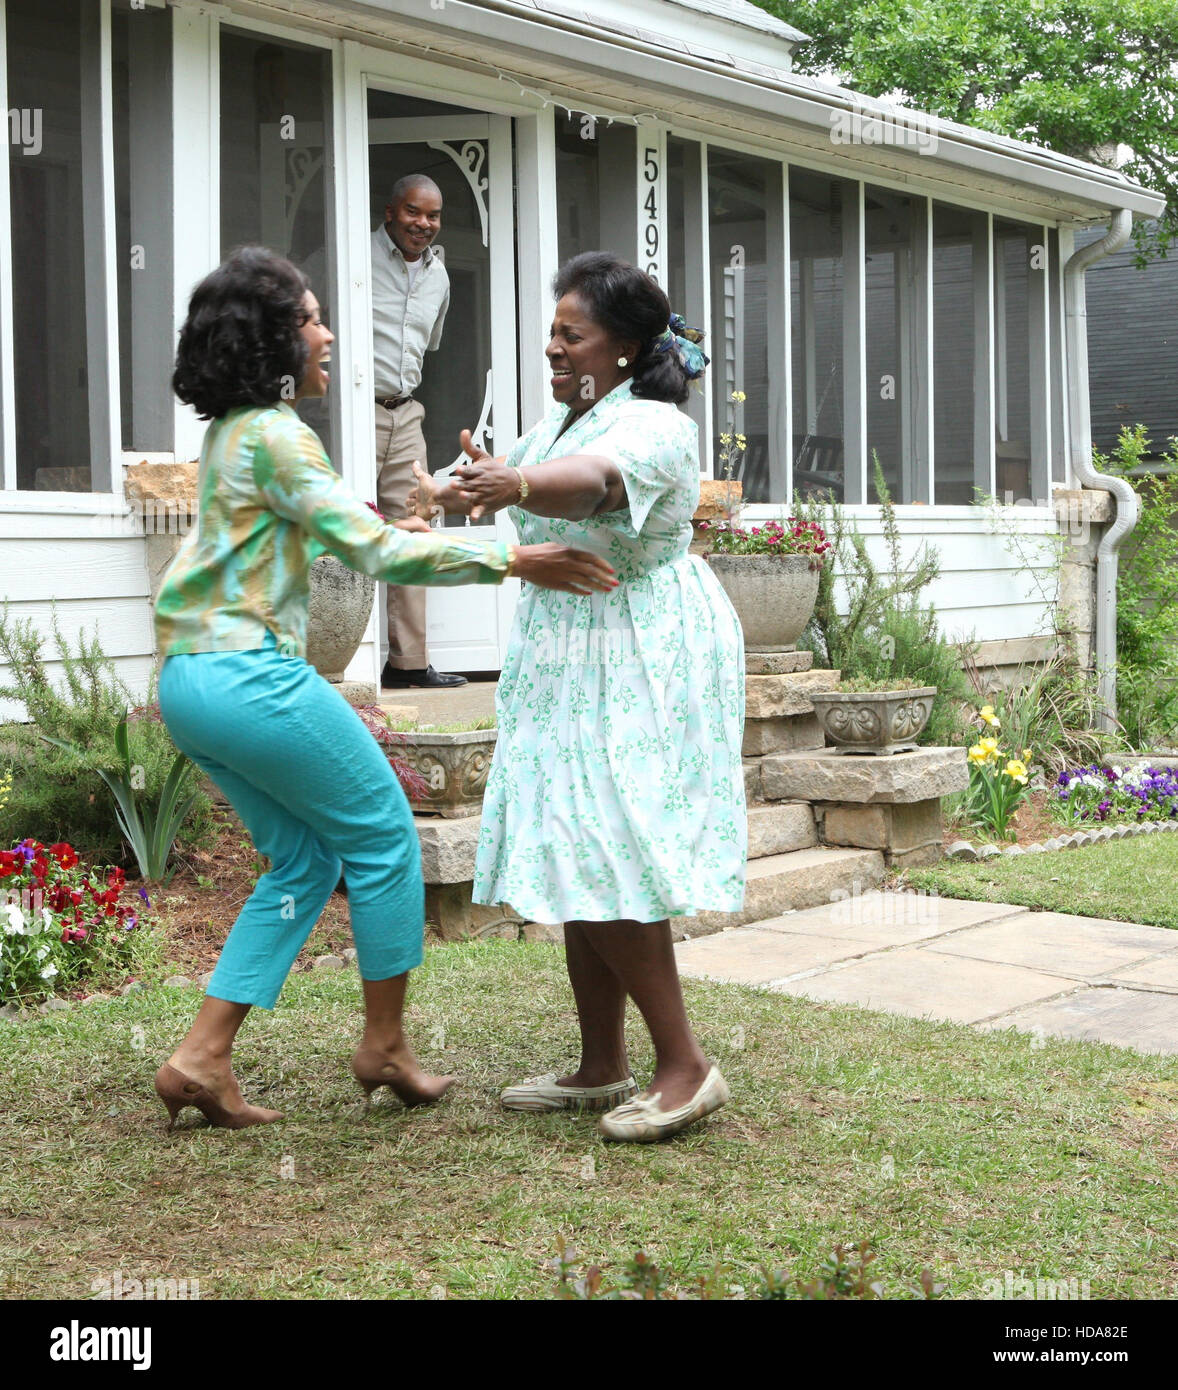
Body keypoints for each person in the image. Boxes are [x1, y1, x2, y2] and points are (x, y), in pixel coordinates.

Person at [151, 246, 615, 1131]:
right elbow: (374, 555)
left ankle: (202, 1058)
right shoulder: (282, 434)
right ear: (273, 341)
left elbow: (315, 525)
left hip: (190, 680)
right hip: (252, 674)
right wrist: (513, 557)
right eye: (313, 320)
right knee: (385, 837)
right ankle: (386, 1045)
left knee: (305, 857)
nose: (327, 336)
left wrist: (397, 518)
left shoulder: (235, 433)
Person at [414, 252, 747, 1143]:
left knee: (609, 839)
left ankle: (686, 1067)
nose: (553, 349)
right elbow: (493, 483)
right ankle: (602, 1064)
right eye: (552, 333)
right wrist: (428, 498)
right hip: (566, 649)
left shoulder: (653, 426)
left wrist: (515, 484)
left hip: (639, 645)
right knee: (571, 835)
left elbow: (598, 484)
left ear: (628, 347)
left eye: (572, 334)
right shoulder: (559, 422)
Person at [372, 173, 465, 690]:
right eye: (413, 212)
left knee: (414, 526)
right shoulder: (348, 256)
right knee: (343, 524)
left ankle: (407, 663)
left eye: (432, 216)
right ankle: (336, 656)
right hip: (352, 409)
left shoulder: (439, 277)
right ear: (390, 212)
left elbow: (429, 346)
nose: (423, 224)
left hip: (406, 413)